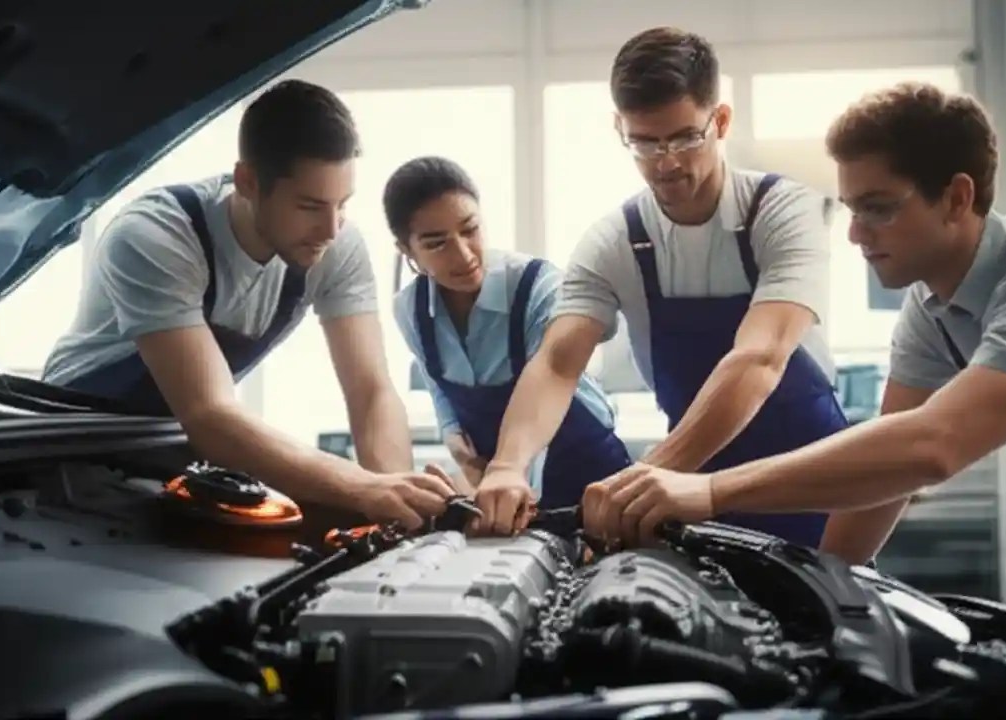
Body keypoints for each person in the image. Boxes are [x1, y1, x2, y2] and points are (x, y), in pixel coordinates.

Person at [578, 80, 1006, 712]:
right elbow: (888, 471)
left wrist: (706, 491)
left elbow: (932, 447)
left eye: (879, 207)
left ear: (956, 197)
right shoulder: (933, 311)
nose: (855, 235)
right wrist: (812, 612)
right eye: (851, 209)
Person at [471, 27, 847, 543]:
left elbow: (759, 358)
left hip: (809, 480)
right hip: (691, 490)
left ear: (720, 121)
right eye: (644, 142)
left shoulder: (784, 212)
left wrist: (646, 478)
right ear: (619, 129)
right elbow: (558, 363)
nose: (665, 162)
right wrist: (508, 465)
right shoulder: (613, 241)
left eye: (684, 138)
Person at [42, 80, 455, 529]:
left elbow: (370, 390)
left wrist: (400, 499)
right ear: (248, 182)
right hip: (66, 443)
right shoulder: (155, 236)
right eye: (310, 206)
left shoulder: (335, 245)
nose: (331, 229)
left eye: (343, 205)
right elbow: (210, 414)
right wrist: (361, 487)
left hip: (169, 441)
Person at [386, 156, 631, 524]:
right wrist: (456, 443)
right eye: (437, 243)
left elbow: (549, 380)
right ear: (407, 250)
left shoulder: (538, 286)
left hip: (585, 464)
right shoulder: (411, 310)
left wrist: (509, 479)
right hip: (504, 483)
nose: (464, 254)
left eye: (470, 229)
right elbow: (439, 386)